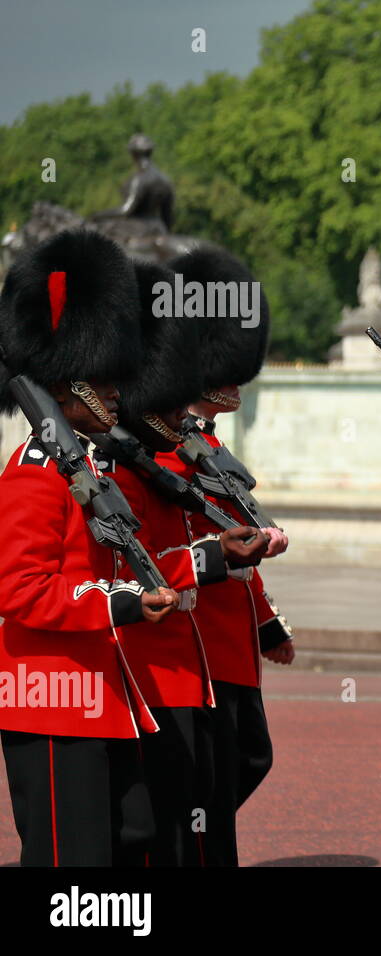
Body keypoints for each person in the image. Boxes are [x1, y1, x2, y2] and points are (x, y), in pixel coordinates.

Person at [0, 230, 179, 865]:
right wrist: (121, 605)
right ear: (68, 385)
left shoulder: (87, 473)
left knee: (126, 846)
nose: (116, 396)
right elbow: (21, 592)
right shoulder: (30, 474)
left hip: (102, 693)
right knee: (69, 863)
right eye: (102, 384)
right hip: (50, 698)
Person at [102, 259, 268, 865]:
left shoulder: (182, 450)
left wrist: (264, 614)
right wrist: (208, 560)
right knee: (166, 820)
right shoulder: (126, 464)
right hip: (157, 654)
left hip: (202, 654)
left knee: (205, 803)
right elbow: (127, 568)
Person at [157, 247, 292, 866]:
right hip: (191, 639)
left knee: (245, 759)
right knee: (204, 786)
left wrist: (264, 621)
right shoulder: (158, 451)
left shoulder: (205, 444)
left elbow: (234, 534)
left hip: (230, 639)